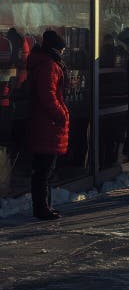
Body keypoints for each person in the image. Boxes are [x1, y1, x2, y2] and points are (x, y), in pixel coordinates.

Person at [27, 30, 70, 219]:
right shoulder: (49, 66)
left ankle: (44, 206)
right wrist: (61, 115)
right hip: (48, 124)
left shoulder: (43, 62)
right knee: (44, 169)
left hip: (43, 122)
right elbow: (48, 96)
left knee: (43, 169)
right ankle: (42, 207)